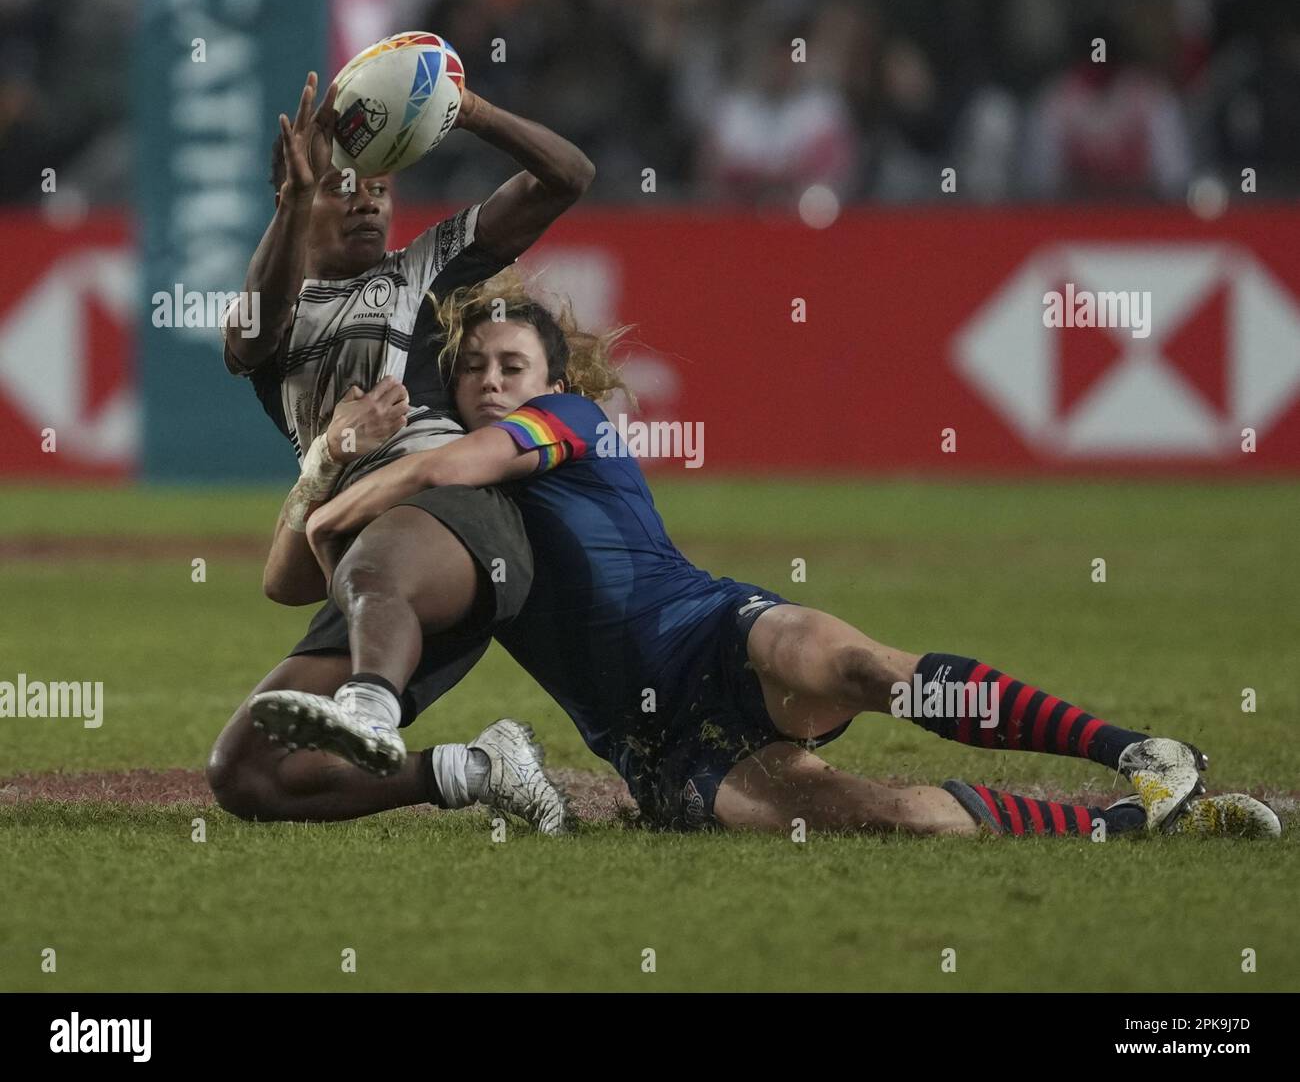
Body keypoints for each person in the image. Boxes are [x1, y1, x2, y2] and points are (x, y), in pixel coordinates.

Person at [256, 275, 1281, 839]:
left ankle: (1136, 754)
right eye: (472, 366)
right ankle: (1119, 825)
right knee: (877, 817)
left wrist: (344, 480)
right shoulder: (460, 497)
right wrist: (330, 475)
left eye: (508, 363)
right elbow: (291, 582)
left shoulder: (554, 422)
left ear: (555, 377)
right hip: (656, 753)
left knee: (863, 670)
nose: (488, 378)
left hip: (714, 635)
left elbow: (453, 467)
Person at [206, 71, 595, 833]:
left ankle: (369, 708)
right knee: (245, 774)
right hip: (366, 580)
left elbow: (568, 175)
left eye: (379, 187)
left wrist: (471, 109)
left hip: (454, 524)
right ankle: (478, 769)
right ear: (293, 200)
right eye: (341, 188)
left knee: (375, 566)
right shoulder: (273, 325)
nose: (366, 200)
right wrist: (331, 452)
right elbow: (249, 331)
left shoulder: (426, 271)